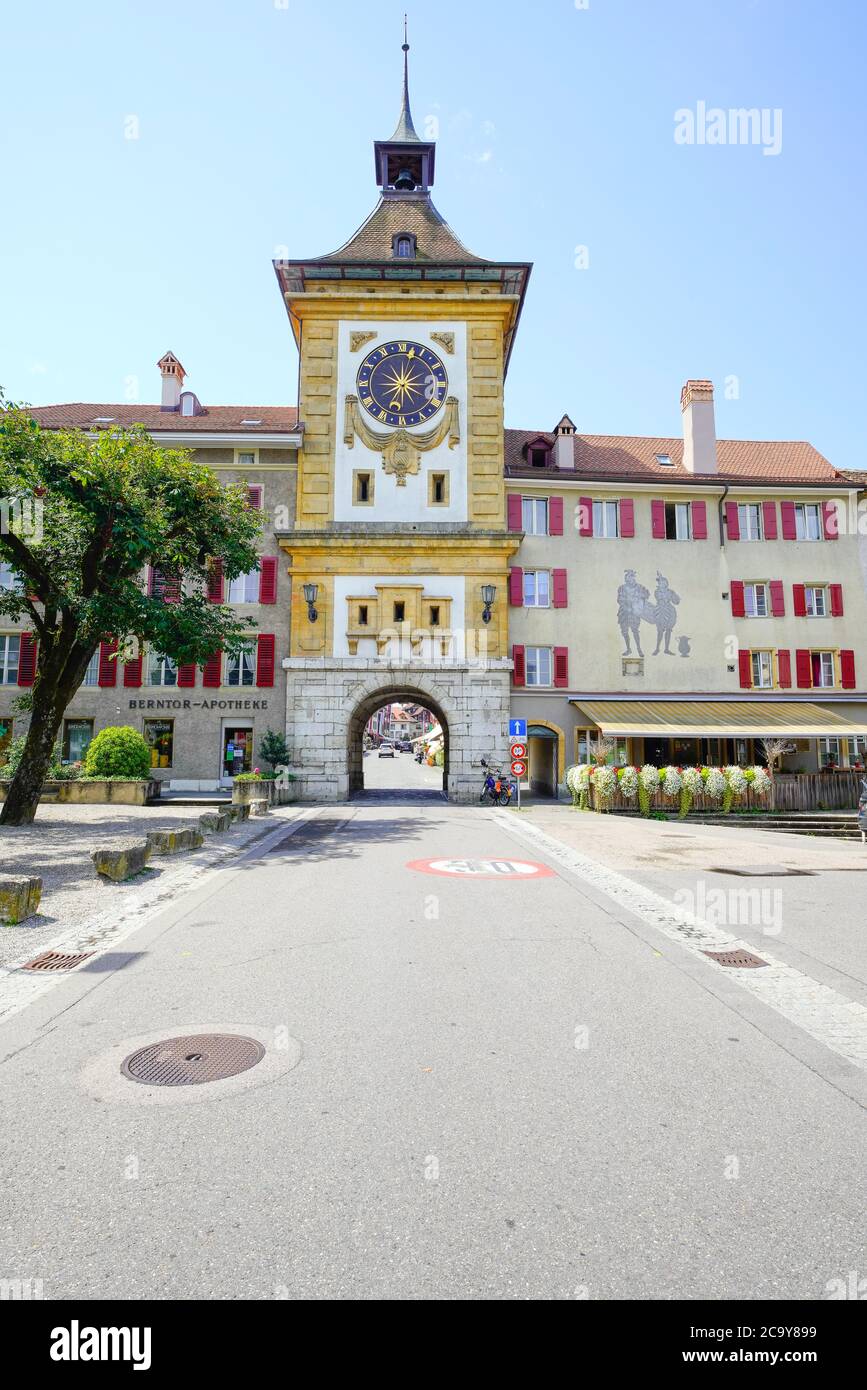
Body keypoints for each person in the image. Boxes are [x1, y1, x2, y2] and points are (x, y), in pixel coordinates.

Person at [617, 569, 649, 656]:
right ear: (626, 578)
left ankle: (639, 649)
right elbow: (619, 600)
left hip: (634, 612)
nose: (629, 578)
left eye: (631, 576)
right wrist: (627, 607)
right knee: (624, 631)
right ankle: (628, 649)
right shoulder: (622, 588)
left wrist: (641, 598)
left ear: (634, 578)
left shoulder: (640, 587)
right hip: (624, 612)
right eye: (627, 577)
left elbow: (647, 594)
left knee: (635, 630)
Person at [649, 573, 680, 655]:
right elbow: (660, 598)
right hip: (660, 611)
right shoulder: (657, 591)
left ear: (666, 583)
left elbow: (676, 601)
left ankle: (666, 649)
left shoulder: (670, 591)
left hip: (669, 611)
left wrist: (674, 596)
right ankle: (657, 648)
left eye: (662, 582)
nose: (661, 584)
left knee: (669, 630)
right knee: (660, 631)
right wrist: (668, 594)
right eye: (660, 583)